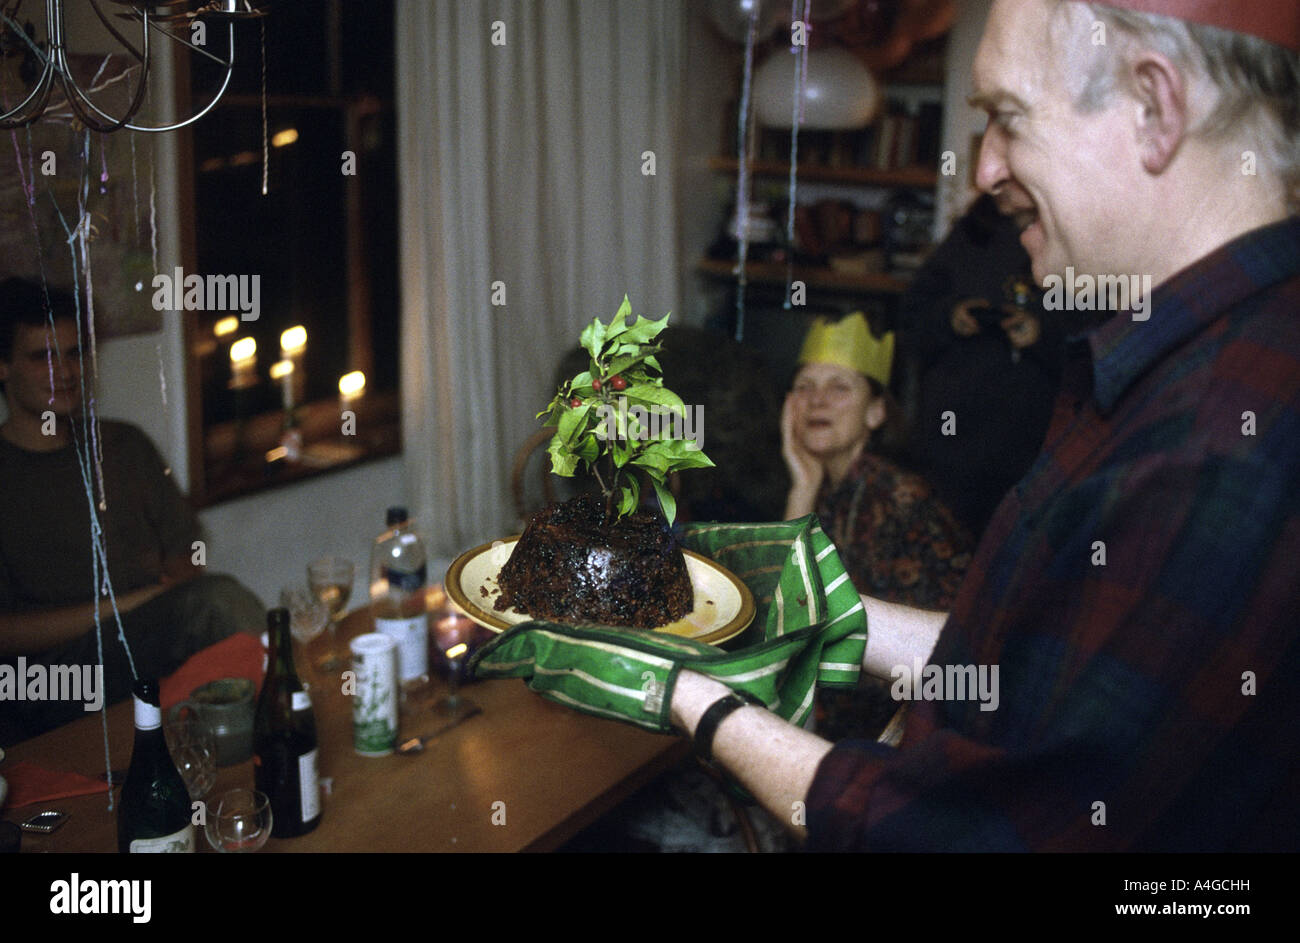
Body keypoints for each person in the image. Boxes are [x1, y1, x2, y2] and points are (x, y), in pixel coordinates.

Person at [496, 0, 1298, 852]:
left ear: (1154, 109)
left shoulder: (1223, 441)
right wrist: (776, 599)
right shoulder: (1186, 359)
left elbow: (963, 838)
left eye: (1007, 120)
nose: (984, 169)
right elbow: (1019, 673)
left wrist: (683, 689)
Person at [0, 278, 264, 746]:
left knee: (224, 635)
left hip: (147, 641)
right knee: (217, 604)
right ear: (4, 367)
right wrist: (135, 605)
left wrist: (175, 580)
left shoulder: (122, 444)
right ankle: (281, 726)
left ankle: (264, 741)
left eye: (75, 354)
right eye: (43, 357)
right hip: (50, 676)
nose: (64, 371)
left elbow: (187, 552)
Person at [899, 192, 1102, 539]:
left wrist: (1043, 334)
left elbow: (1104, 345)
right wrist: (952, 318)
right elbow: (911, 316)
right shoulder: (974, 233)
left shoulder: (1085, 239)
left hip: (1037, 456)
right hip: (951, 447)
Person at [782, 312, 972, 611]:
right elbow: (783, 603)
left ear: (875, 411)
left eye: (839, 387)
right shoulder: (823, 488)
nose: (817, 400)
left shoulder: (899, 498)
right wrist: (802, 489)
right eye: (805, 386)